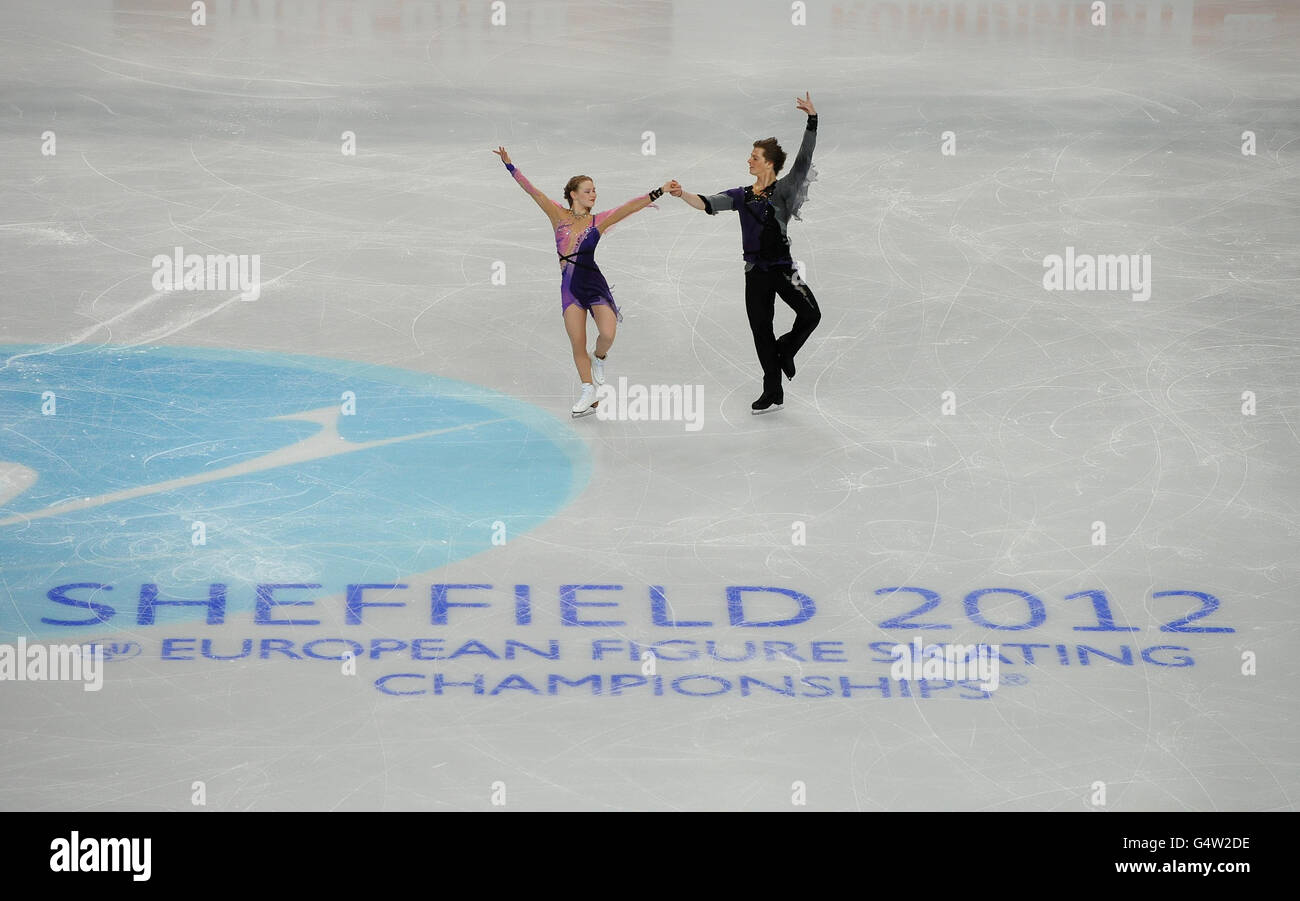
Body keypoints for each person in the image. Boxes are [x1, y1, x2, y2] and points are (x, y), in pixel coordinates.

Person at [669, 93, 822, 413]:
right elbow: (708, 202)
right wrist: (682, 193)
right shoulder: (739, 196)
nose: (748, 160)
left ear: (768, 163)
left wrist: (812, 121)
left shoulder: (784, 190)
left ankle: (786, 349)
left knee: (811, 314)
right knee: (761, 331)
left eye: (754, 156)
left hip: (783, 269)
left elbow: (804, 161)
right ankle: (773, 391)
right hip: (755, 274)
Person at [494, 146, 672, 416]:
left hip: (594, 284)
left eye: (595, 190)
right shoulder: (558, 216)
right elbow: (533, 191)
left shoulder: (596, 221)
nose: (593, 194)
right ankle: (588, 390)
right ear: (573, 194)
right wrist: (510, 166)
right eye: (588, 190)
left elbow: (626, 208)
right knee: (577, 343)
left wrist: (659, 190)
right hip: (570, 289)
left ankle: (599, 358)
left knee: (608, 334)